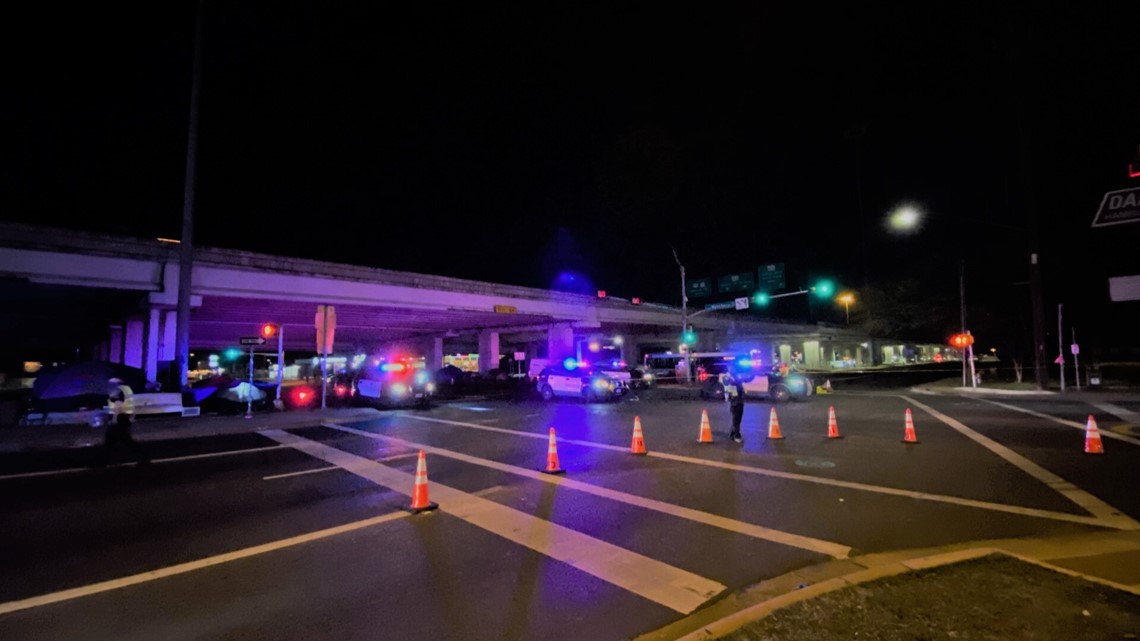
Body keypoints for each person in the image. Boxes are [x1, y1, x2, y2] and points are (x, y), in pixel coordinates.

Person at [100, 377, 149, 466]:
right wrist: (132, 417)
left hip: (120, 419)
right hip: (124, 419)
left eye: (111, 384)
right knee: (117, 441)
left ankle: (102, 462)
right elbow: (131, 405)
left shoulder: (117, 392)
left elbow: (118, 406)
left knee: (118, 441)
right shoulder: (126, 391)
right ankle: (102, 461)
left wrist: (114, 419)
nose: (109, 385)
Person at [722, 372, 745, 443]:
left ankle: (732, 433)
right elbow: (728, 383)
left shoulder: (737, 376)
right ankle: (736, 435)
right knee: (736, 420)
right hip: (734, 402)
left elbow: (747, 379)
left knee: (738, 419)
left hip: (739, 401)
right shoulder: (728, 377)